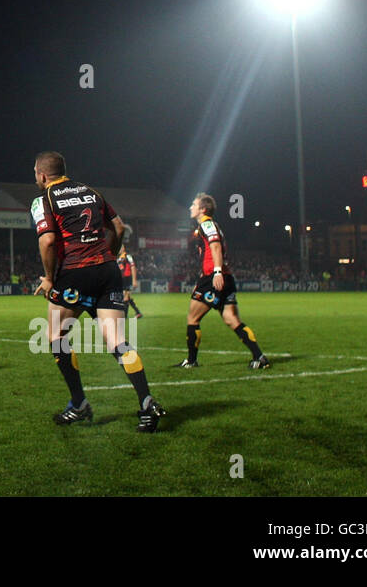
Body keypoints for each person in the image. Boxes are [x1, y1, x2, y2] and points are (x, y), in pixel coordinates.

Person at [30, 151, 166, 432]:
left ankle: (79, 403)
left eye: (35, 174)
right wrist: (110, 255)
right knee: (117, 342)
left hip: (75, 272)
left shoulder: (43, 200)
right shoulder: (92, 193)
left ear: (42, 174)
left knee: (55, 335)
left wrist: (48, 278)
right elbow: (118, 227)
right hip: (107, 270)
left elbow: (48, 242)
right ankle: (146, 402)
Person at [176, 193, 271, 370]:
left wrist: (217, 272)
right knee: (231, 319)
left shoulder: (207, 224)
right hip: (225, 277)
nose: (190, 207)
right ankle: (260, 356)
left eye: (193, 204)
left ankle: (191, 361)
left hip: (214, 277)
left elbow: (216, 246)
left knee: (192, 318)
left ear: (202, 209)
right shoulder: (208, 225)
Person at [116, 248, 144, 318]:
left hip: (127, 278)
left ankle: (125, 316)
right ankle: (138, 312)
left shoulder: (128, 256)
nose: (118, 249)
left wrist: (134, 280)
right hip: (122, 279)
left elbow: (133, 267)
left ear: (123, 249)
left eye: (120, 247)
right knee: (127, 297)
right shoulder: (118, 258)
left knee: (125, 296)